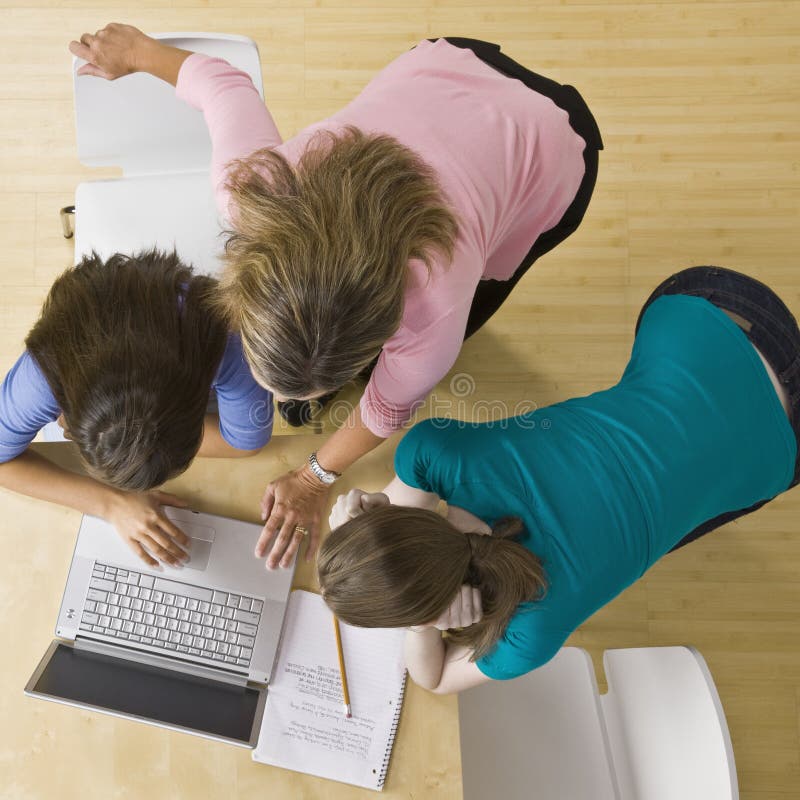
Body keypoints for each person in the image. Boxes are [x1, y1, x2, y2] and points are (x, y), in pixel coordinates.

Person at [68, 24, 604, 569]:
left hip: (550, 138)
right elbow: (219, 83)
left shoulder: (436, 310)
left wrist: (312, 476)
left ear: (389, 328)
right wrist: (136, 52)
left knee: (480, 293)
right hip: (450, 68)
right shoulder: (251, 191)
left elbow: (390, 405)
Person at [318, 267, 800, 693]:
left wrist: (423, 629)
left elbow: (437, 679)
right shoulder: (435, 454)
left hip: (784, 443)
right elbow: (405, 509)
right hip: (714, 312)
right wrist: (368, 511)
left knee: (681, 507)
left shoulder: (529, 632)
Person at [0, 250, 273, 567]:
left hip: (182, 315)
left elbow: (246, 444)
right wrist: (109, 504)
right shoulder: (42, 376)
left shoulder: (227, 340)